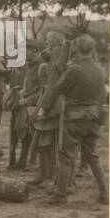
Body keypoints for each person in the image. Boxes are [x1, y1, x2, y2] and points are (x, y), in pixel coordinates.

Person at [36, 34, 108, 204]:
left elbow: (56, 89)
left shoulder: (74, 70)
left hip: (74, 119)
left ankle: (60, 195)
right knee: (93, 157)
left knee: (66, 156)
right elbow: (102, 95)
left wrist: (43, 108)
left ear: (77, 50)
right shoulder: (100, 70)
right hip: (93, 118)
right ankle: (105, 193)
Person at [28, 32, 68, 187]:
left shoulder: (58, 60)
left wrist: (43, 108)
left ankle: (57, 178)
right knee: (44, 142)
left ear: (56, 43)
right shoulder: (52, 60)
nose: (46, 43)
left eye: (48, 41)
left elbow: (52, 87)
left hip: (55, 107)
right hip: (49, 104)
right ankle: (44, 174)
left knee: (59, 146)